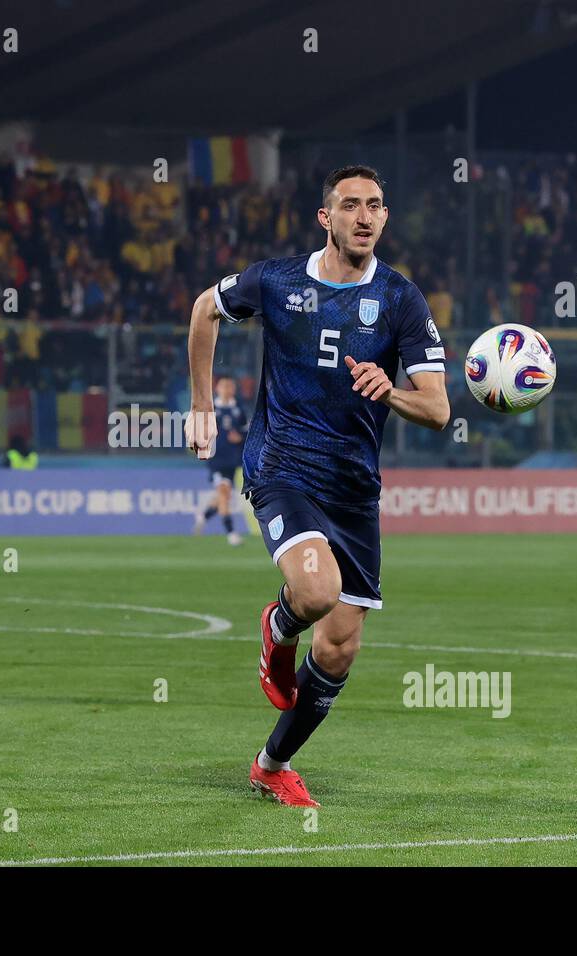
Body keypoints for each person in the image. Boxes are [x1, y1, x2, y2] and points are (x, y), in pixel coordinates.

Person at [186, 165, 450, 807]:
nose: (365, 216)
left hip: (354, 490)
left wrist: (392, 390)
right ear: (325, 217)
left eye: (376, 206)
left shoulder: (400, 298)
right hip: (282, 466)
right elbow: (204, 309)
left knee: (338, 651)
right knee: (317, 590)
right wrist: (199, 407)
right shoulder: (274, 280)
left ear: (386, 218)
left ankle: (271, 764)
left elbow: (438, 409)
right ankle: (278, 625)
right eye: (351, 205)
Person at [191, 374, 248, 545]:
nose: (227, 390)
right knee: (224, 493)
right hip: (215, 459)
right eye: (224, 386)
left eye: (230, 386)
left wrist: (241, 437)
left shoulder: (239, 409)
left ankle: (203, 515)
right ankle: (231, 533)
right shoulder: (210, 408)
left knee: (224, 495)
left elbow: (247, 432)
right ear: (217, 389)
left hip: (232, 459)